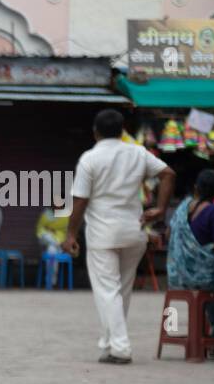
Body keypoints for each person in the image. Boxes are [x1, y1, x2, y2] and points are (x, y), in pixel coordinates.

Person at [62, 108, 176, 364]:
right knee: (120, 291)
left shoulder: (89, 159)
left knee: (108, 292)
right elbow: (168, 174)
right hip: (134, 231)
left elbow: (79, 201)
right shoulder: (137, 152)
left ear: (95, 132)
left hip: (103, 233)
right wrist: (159, 210)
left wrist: (70, 234)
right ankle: (110, 344)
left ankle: (121, 347)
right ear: (123, 129)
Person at [166, 169, 214, 351]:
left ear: (196, 188)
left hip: (180, 275)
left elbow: (169, 235)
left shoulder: (183, 208)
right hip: (204, 276)